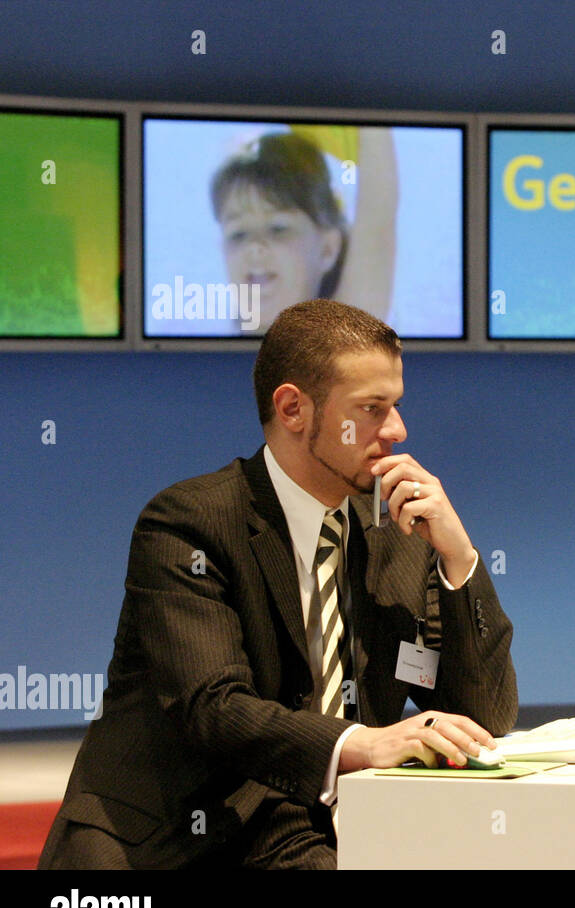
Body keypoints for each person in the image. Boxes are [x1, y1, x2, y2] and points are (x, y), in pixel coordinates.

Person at [39, 299, 516, 869]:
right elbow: (212, 708)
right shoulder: (190, 523)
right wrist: (362, 743)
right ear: (293, 409)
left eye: (396, 406)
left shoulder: (399, 539)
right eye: (372, 408)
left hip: (315, 838)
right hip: (182, 844)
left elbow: (484, 715)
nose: (397, 429)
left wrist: (459, 558)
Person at [211, 127, 397, 332]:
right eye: (238, 234)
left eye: (278, 228)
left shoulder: (341, 341)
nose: (254, 246)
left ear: (327, 249)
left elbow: (377, 219)